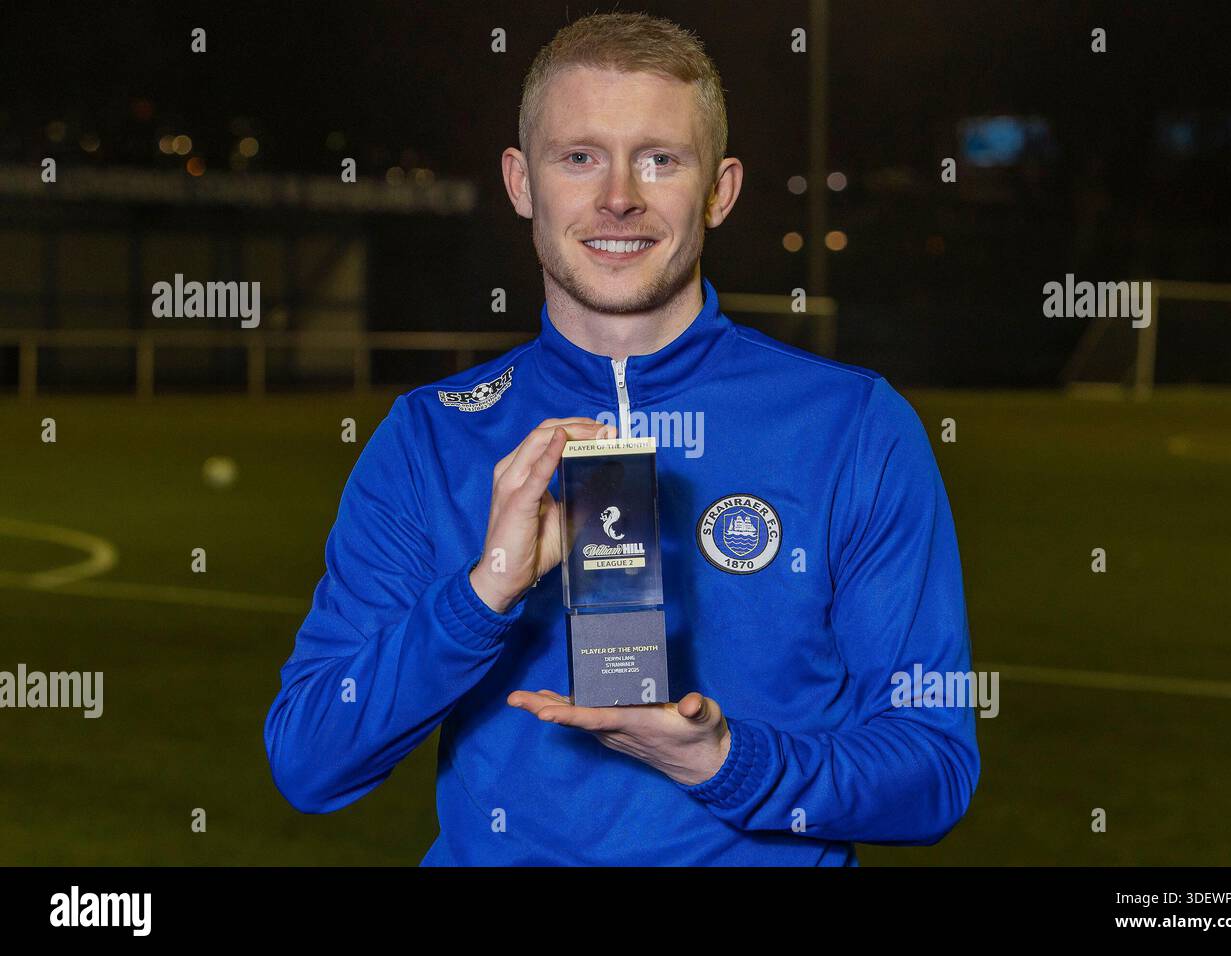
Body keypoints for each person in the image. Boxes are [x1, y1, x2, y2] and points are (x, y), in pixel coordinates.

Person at [264, 11, 979, 866]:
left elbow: (934, 769)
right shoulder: (429, 436)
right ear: (520, 182)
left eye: (660, 159)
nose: (618, 198)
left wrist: (728, 764)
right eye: (579, 157)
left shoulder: (853, 426)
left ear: (720, 191)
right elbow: (308, 761)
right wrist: (484, 595)